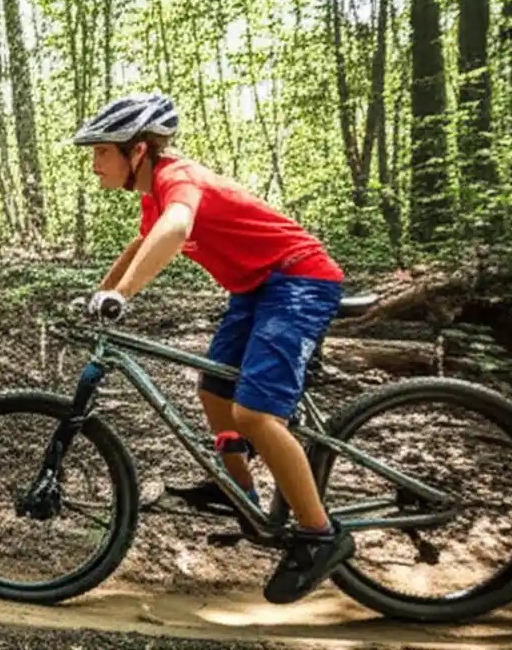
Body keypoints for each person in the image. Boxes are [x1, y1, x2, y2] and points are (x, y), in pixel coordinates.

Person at [73, 92, 352, 603]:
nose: (93, 165)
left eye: (100, 152)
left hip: (297, 281)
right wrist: (101, 294)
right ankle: (240, 493)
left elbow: (176, 229)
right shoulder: (153, 192)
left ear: (137, 150)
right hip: (255, 288)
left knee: (256, 415)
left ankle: (319, 534)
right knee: (213, 391)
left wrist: (123, 296)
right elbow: (143, 242)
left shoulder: (177, 177)